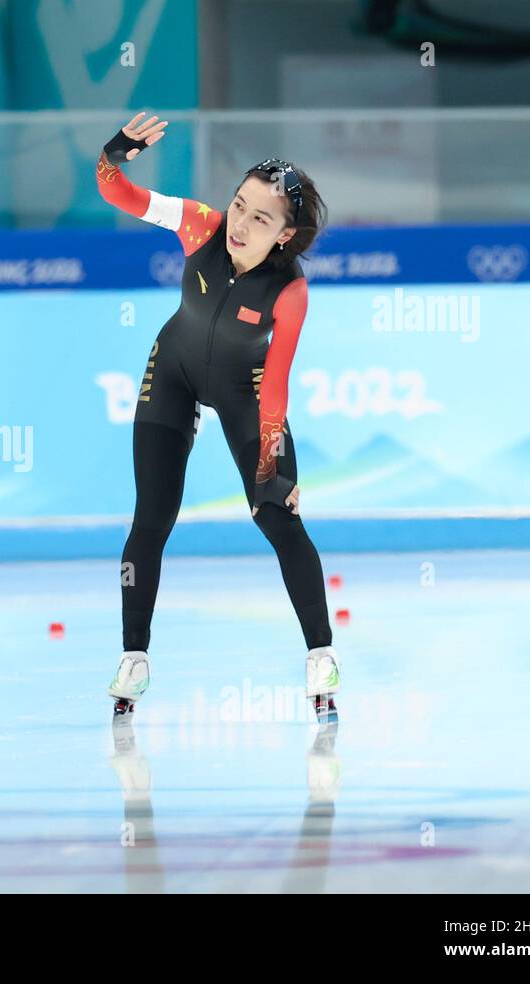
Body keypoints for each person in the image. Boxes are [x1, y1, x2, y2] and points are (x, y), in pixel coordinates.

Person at [97, 112, 340, 721]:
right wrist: (117, 150)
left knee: (278, 517)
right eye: (239, 206)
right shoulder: (199, 225)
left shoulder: (290, 291)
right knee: (150, 519)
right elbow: (113, 189)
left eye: (261, 219)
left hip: (245, 391)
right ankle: (133, 657)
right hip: (174, 371)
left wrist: (272, 470)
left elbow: (277, 385)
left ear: (284, 235)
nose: (240, 223)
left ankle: (320, 654)